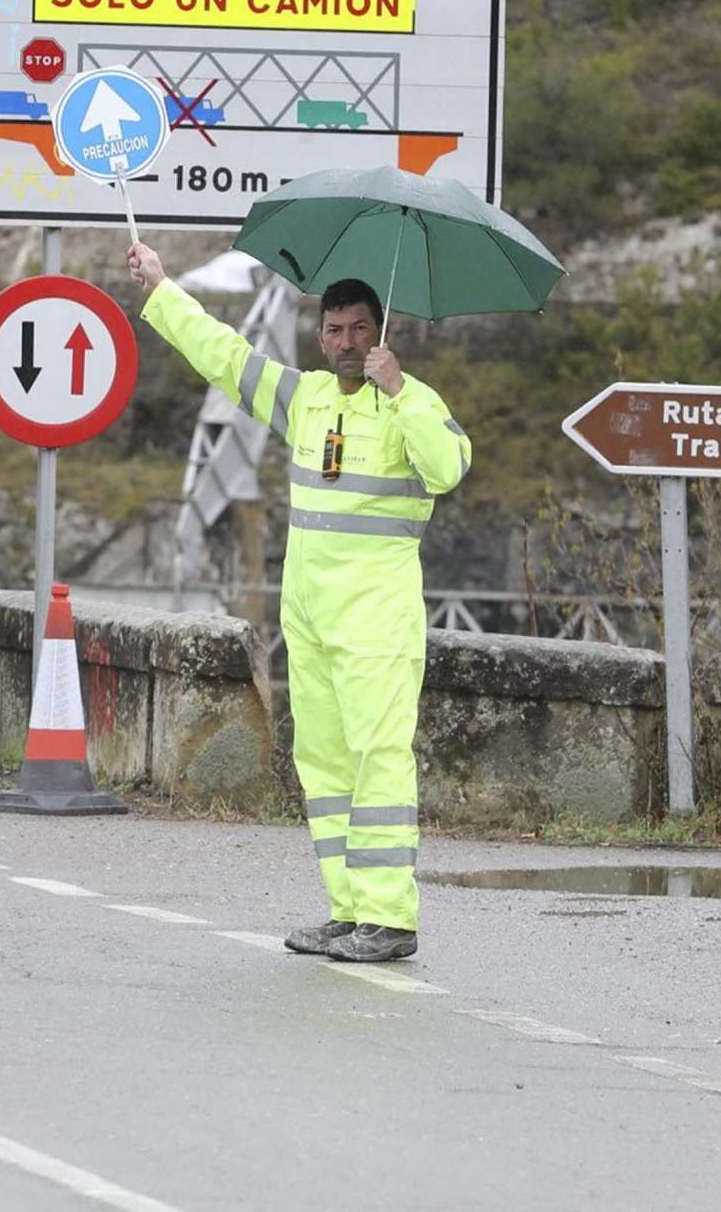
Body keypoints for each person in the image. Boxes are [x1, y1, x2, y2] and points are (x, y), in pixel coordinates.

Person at [125, 240, 471, 962]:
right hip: (309, 619)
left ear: (382, 333)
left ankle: (391, 917)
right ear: (321, 338)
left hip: (377, 618)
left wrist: (400, 389)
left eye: (360, 330)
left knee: (377, 759)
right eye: (335, 330)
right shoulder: (305, 397)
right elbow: (223, 356)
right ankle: (350, 912)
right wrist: (160, 291)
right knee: (323, 762)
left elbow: (448, 469)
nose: (348, 342)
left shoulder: (415, 400)